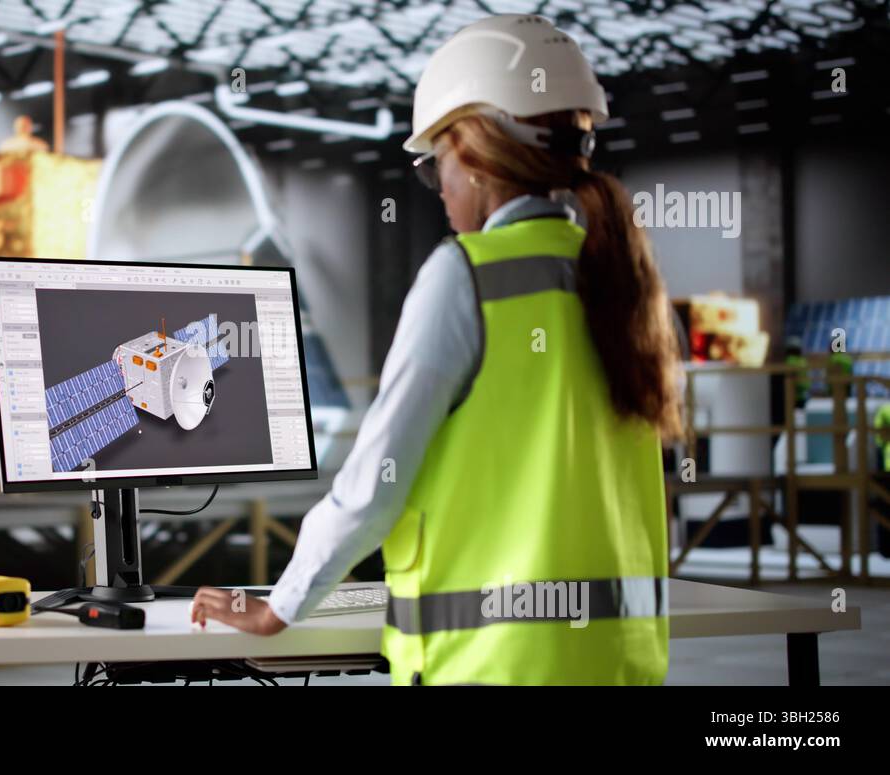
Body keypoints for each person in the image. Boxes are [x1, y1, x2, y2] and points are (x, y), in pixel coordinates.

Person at [190, 14, 683, 685]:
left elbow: (374, 487)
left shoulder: (469, 276)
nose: (442, 190)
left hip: (495, 666)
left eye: (437, 166)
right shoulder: (623, 281)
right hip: (620, 664)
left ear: (476, 157)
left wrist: (279, 604)